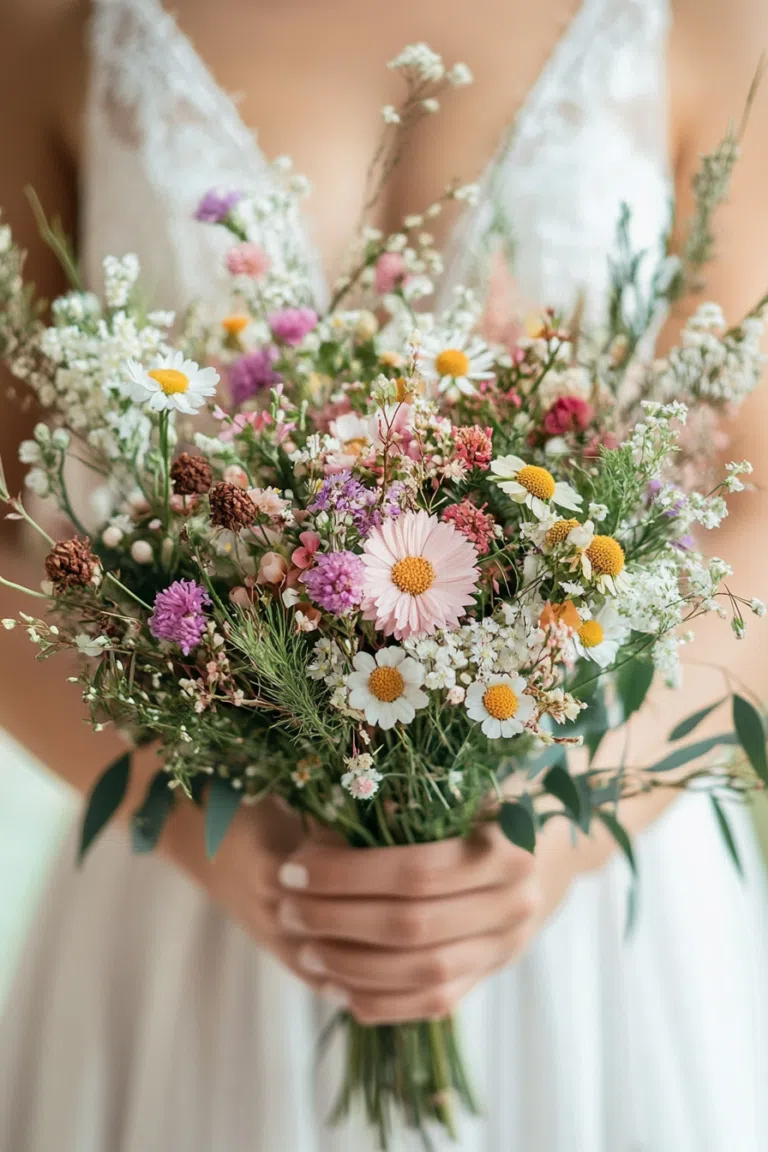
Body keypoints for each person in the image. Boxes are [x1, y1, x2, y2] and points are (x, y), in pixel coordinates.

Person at [1, 0, 768, 1148]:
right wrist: (205, 824)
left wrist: (564, 828)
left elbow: (755, 505)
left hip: (576, 901)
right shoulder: (44, 20)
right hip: (195, 891)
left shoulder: (717, 16)